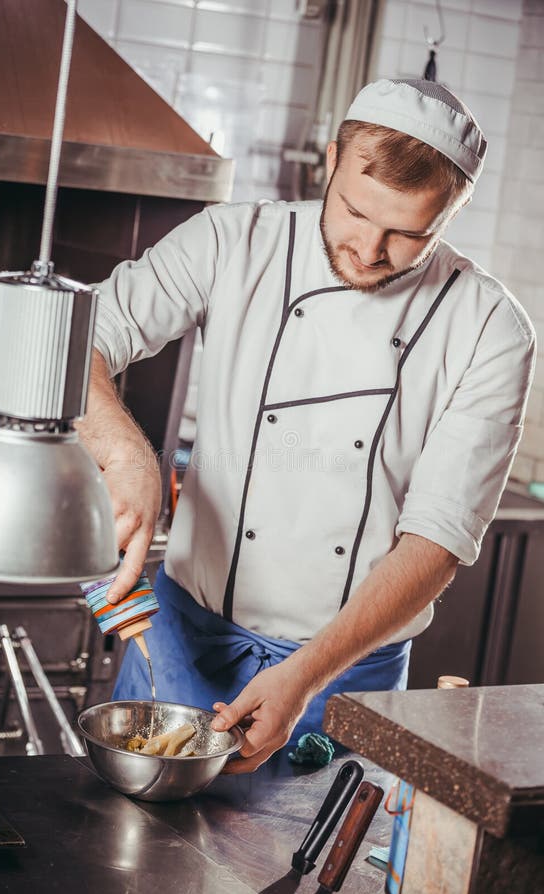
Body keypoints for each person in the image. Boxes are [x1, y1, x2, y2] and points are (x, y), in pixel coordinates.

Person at [77, 79, 535, 773]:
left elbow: (439, 538)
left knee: (320, 868)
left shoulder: (491, 328)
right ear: (331, 161)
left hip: (348, 670)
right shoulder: (236, 240)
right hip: (184, 637)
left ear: (452, 213)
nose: (371, 250)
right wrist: (126, 455)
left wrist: (307, 675)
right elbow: (77, 341)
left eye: (410, 233)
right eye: (355, 211)